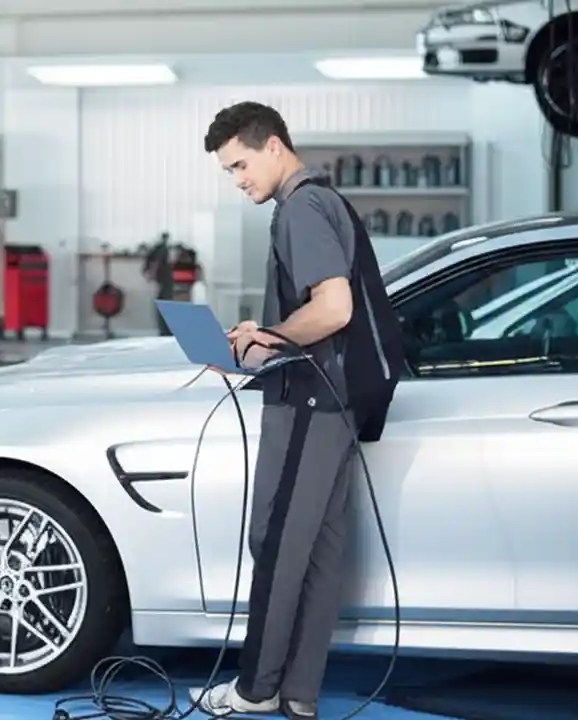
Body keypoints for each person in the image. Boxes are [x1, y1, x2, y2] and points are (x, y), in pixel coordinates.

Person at [190, 102, 403, 719]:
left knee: (279, 540)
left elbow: (334, 309)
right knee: (318, 547)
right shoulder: (324, 201)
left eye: (240, 165)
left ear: (274, 146)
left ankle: (255, 689)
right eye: (228, 171)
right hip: (333, 401)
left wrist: (269, 340)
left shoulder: (301, 208)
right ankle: (299, 694)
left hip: (311, 398)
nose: (237, 181)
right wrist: (269, 329)